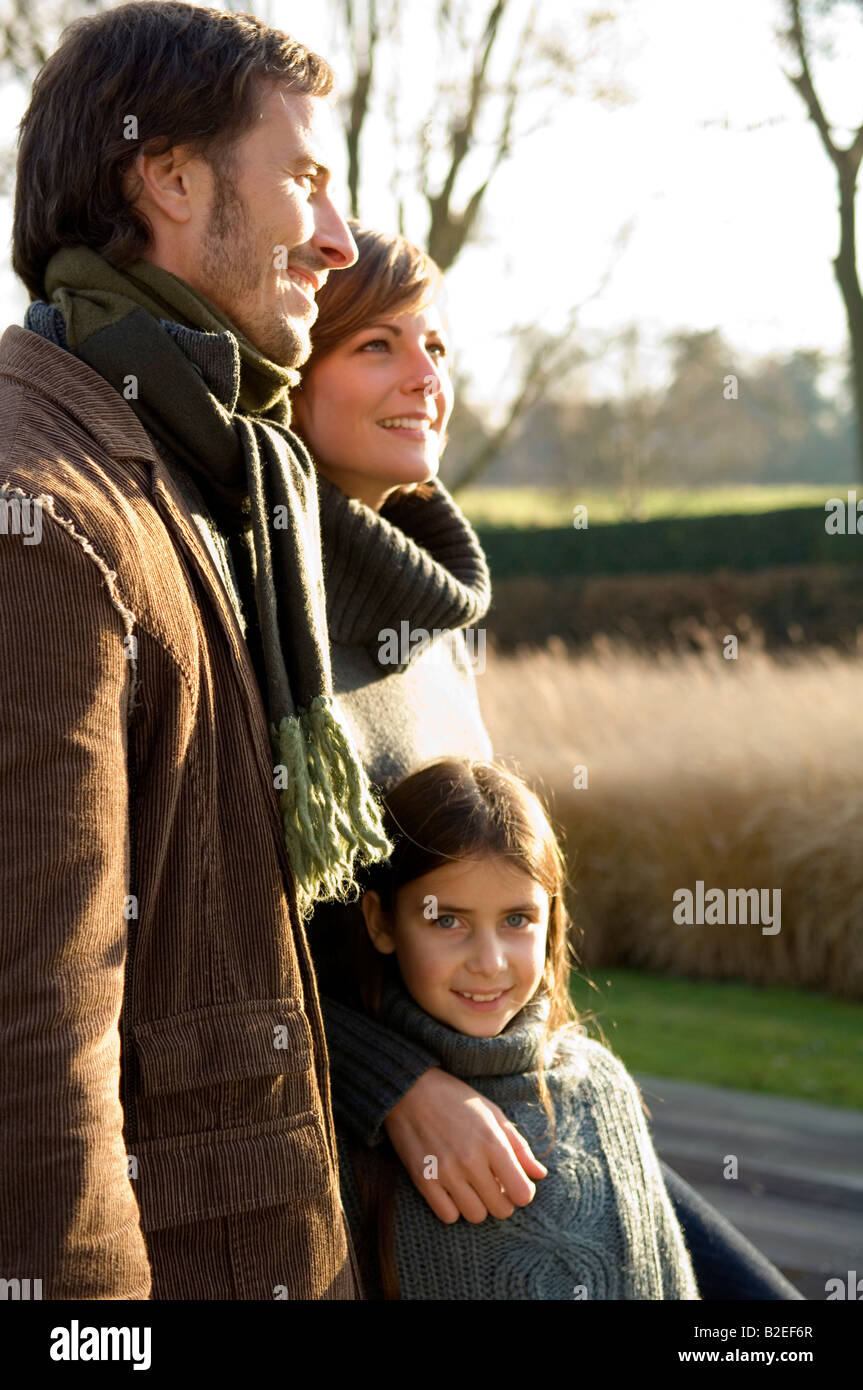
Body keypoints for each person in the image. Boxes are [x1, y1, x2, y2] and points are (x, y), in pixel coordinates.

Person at [293, 224, 805, 1301]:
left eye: (435, 346)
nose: (424, 376)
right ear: (294, 371)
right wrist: (389, 1085)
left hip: (526, 1094)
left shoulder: (432, 623)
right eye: (376, 346)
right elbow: (220, 946)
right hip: (382, 1142)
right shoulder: (270, 624)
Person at [0, 1, 386, 1299]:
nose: (339, 240)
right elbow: (35, 1033)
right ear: (165, 174)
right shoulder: (43, 508)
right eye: (306, 181)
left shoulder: (216, 467)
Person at [335, 756, 700, 1299]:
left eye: (516, 920)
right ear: (381, 922)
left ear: (551, 917)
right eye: (447, 920)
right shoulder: (339, 1115)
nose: (490, 962)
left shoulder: (601, 1087)